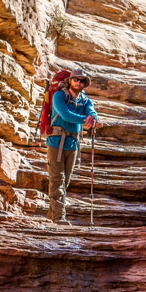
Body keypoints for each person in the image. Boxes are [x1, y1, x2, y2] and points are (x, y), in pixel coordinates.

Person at [47, 68, 99, 225]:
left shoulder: (85, 100)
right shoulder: (59, 96)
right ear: (70, 80)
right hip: (56, 142)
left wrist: (93, 117)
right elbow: (66, 115)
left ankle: (52, 215)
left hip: (72, 144)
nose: (79, 82)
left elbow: (92, 111)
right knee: (57, 179)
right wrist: (87, 120)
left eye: (82, 81)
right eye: (76, 79)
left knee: (65, 181)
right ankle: (58, 217)